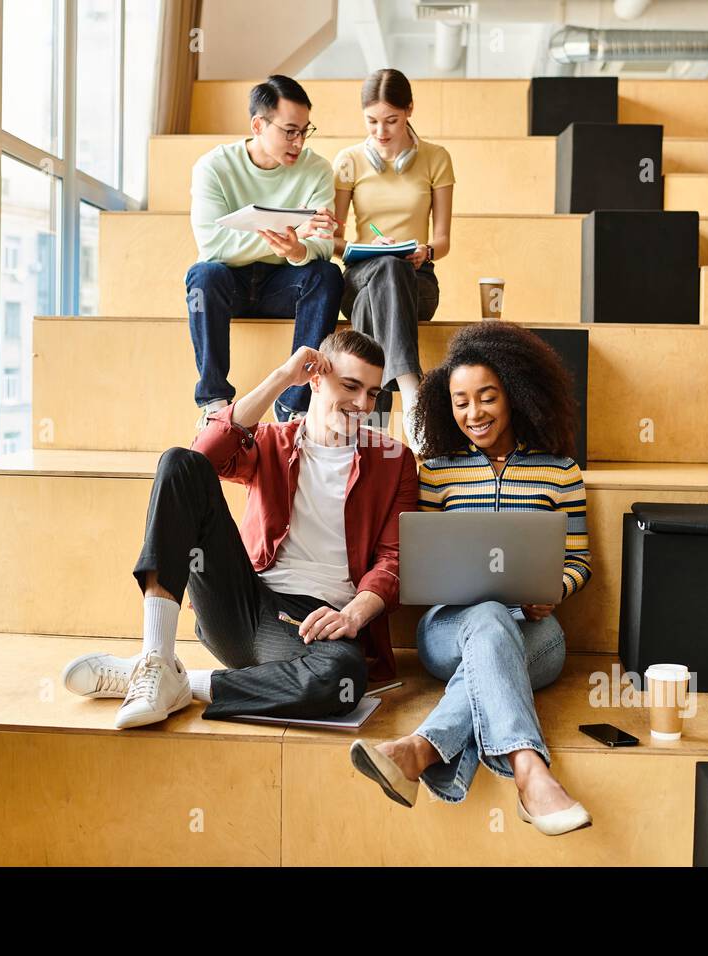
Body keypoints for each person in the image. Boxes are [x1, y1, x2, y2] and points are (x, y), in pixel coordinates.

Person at [60, 329, 418, 728]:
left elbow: (393, 558)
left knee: (343, 679)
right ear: (315, 378)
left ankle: (171, 680)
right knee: (179, 462)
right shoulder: (270, 441)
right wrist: (282, 376)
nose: (363, 404)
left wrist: (353, 614)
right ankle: (156, 654)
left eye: (373, 393)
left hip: (315, 625)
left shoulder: (394, 460)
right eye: (350, 386)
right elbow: (203, 456)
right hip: (241, 601)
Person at [348, 322, 594, 836]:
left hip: (536, 634)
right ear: (446, 405)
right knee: (482, 617)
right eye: (460, 402)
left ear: (516, 394)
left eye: (487, 398)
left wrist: (555, 589)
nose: (473, 414)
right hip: (446, 632)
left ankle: (418, 751)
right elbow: (423, 560)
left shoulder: (561, 472)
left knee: (493, 628)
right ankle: (529, 769)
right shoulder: (436, 471)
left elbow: (579, 561)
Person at [185, 74, 343, 427]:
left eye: (305, 130)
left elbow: (322, 243)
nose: (299, 142)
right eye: (290, 131)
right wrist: (286, 234)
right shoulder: (214, 167)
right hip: (230, 285)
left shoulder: (316, 169)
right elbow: (213, 245)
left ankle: (296, 404)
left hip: (283, 282)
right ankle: (215, 401)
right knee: (202, 275)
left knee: (327, 275)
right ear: (258, 124)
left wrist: (297, 248)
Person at [318, 68, 453, 450]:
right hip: (359, 273)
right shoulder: (348, 161)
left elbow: (442, 241)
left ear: (409, 110)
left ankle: (370, 428)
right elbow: (335, 239)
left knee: (390, 274)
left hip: (418, 282)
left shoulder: (436, 159)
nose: (381, 131)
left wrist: (423, 251)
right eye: (372, 121)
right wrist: (371, 250)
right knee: (383, 268)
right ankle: (412, 390)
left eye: (391, 120)